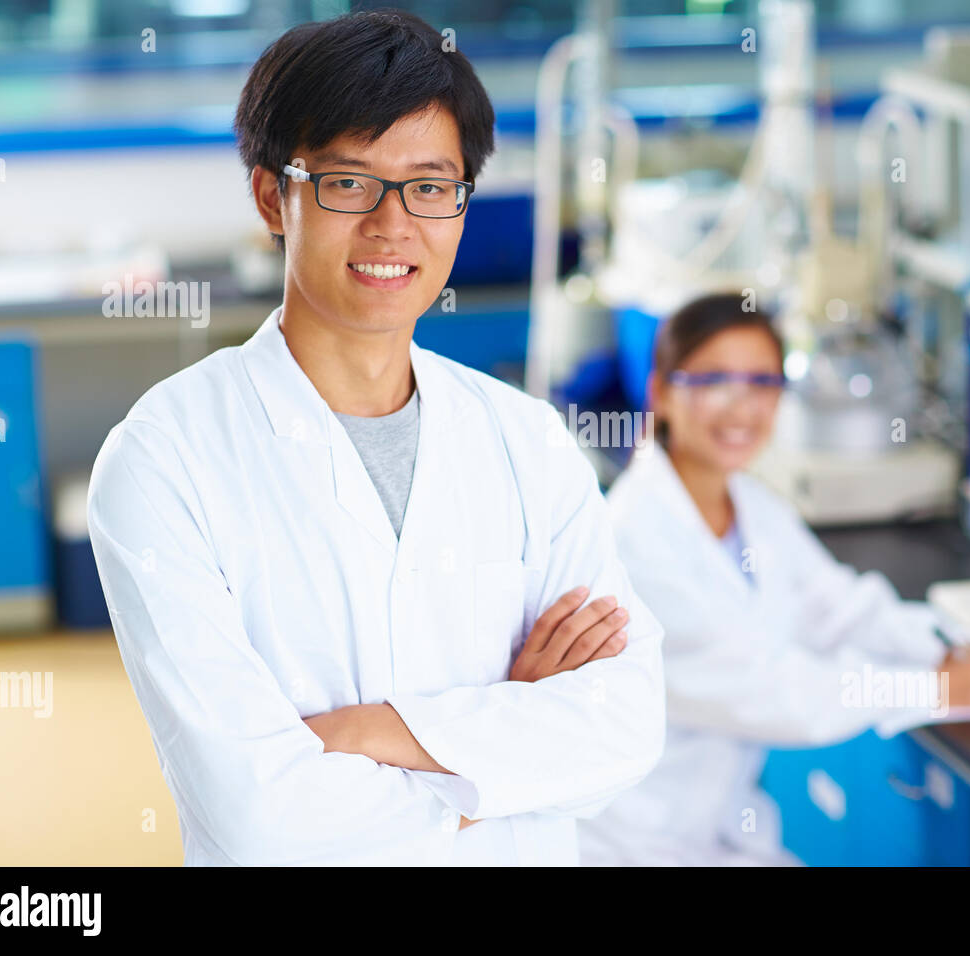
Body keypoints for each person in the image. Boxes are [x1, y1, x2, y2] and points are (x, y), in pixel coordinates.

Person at [86, 9, 664, 866]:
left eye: (431, 186)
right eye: (349, 183)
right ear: (270, 195)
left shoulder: (526, 441)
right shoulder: (164, 460)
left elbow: (627, 725)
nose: (394, 226)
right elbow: (263, 821)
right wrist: (504, 750)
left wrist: (366, 735)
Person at [576, 292, 970, 866]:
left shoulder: (748, 505)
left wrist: (965, 651)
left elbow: (842, 609)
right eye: (716, 379)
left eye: (764, 383)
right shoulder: (636, 539)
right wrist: (935, 687)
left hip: (716, 831)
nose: (743, 408)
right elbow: (777, 691)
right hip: (631, 848)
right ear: (662, 392)